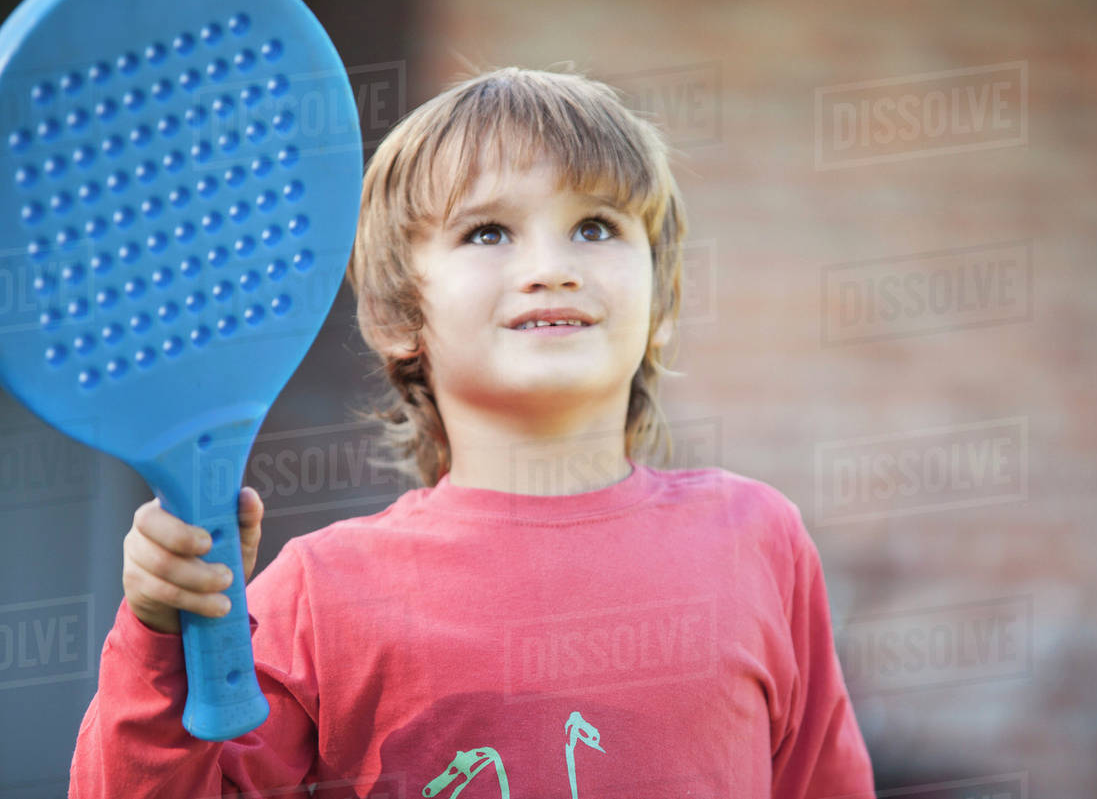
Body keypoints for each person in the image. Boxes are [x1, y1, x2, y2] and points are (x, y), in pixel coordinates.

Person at [68, 65, 875, 799]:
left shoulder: (757, 538)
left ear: (661, 302)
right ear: (399, 315)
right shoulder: (321, 590)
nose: (553, 267)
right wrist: (160, 636)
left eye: (596, 226)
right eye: (488, 232)